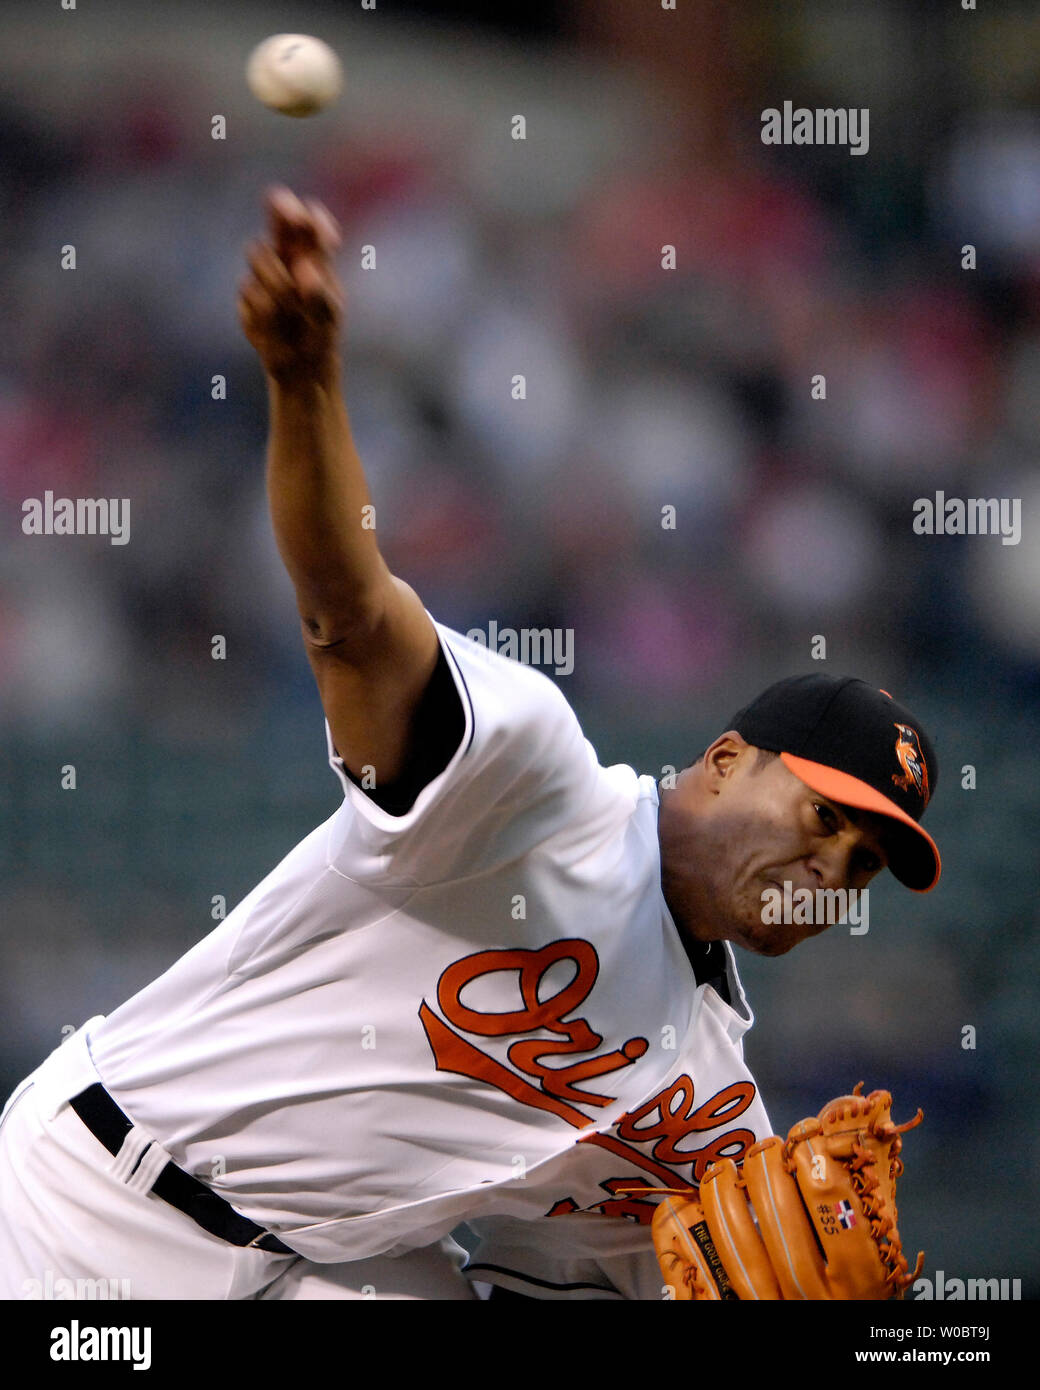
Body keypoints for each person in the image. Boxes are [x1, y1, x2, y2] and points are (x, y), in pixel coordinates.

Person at [0, 188, 940, 1302]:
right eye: (824, 815)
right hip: (101, 1204)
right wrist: (304, 389)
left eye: (865, 861)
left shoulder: (715, 1111)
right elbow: (350, 620)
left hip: (335, 1274)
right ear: (726, 760)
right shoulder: (530, 777)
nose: (831, 868)